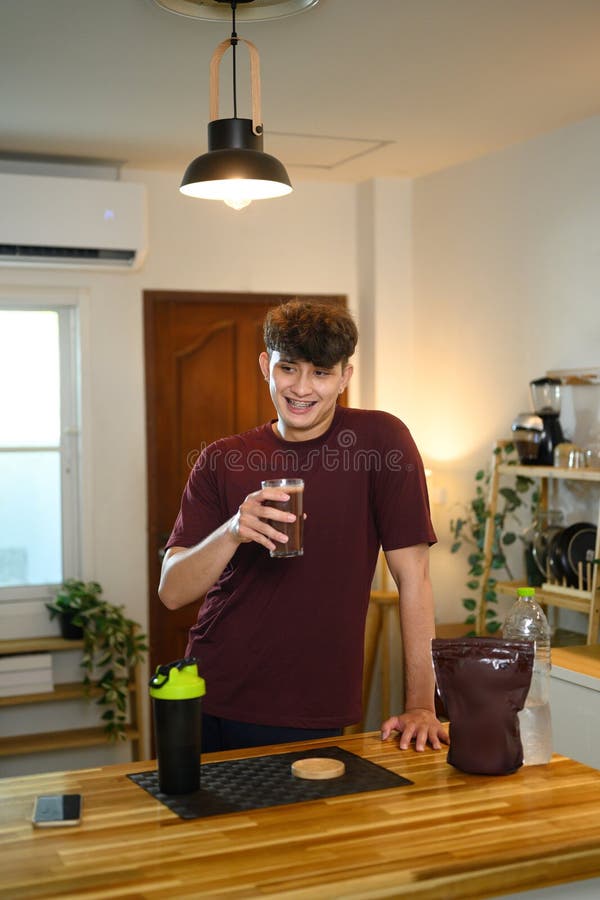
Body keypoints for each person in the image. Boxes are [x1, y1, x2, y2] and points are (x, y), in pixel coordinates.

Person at [159, 299, 447, 754]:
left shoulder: (381, 443)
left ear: (344, 377)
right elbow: (172, 591)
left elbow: (415, 579)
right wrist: (233, 530)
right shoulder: (221, 459)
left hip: (311, 704)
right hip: (210, 688)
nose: (302, 388)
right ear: (266, 366)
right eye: (288, 368)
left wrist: (421, 706)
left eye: (321, 373)